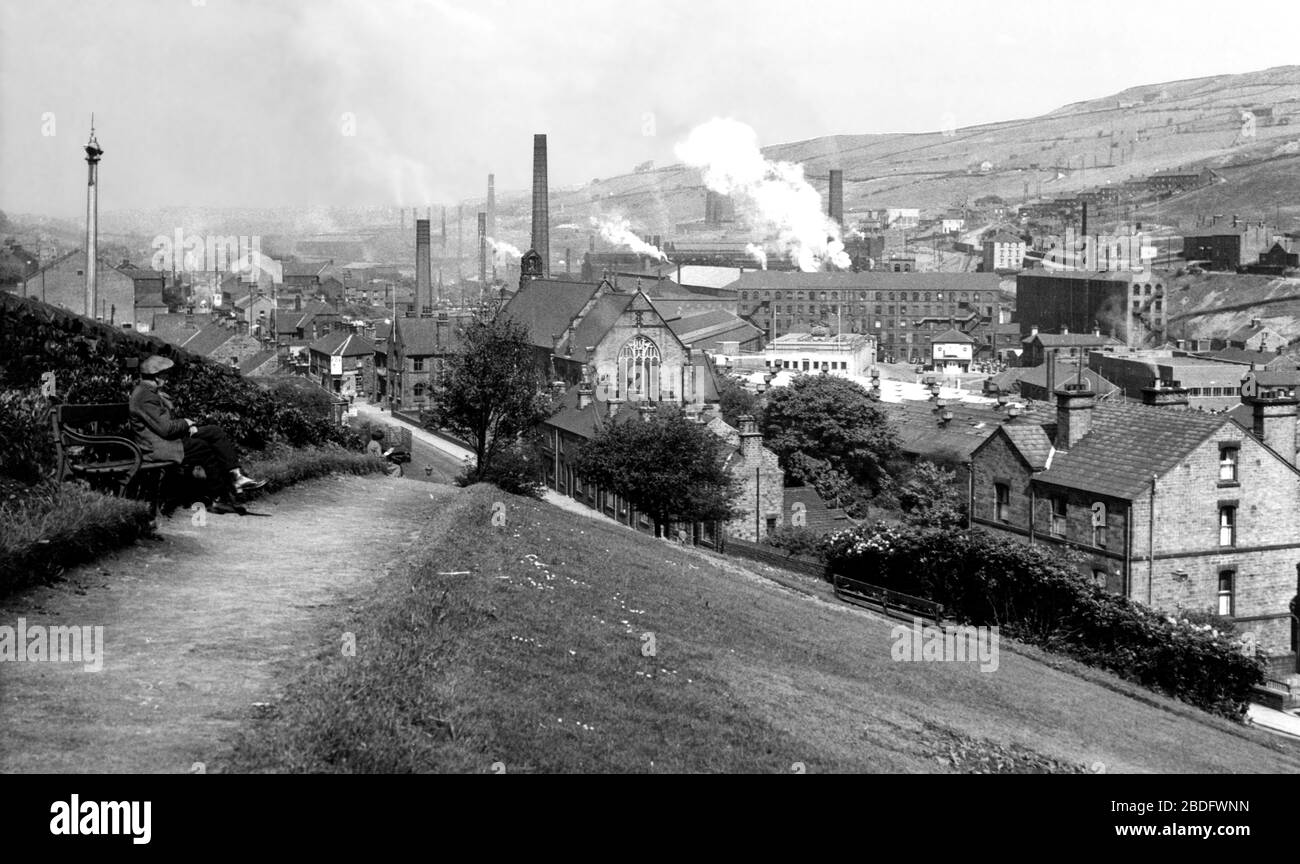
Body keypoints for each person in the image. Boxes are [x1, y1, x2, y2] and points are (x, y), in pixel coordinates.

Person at [129, 354, 266, 512]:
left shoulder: (150, 392)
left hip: (165, 440)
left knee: (214, 432)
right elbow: (165, 429)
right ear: (156, 377)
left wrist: (186, 427)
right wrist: (186, 423)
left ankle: (236, 477)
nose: (167, 378)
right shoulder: (145, 396)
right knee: (203, 448)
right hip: (157, 447)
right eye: (164, 375)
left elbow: (163, 423)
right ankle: (218, 498)